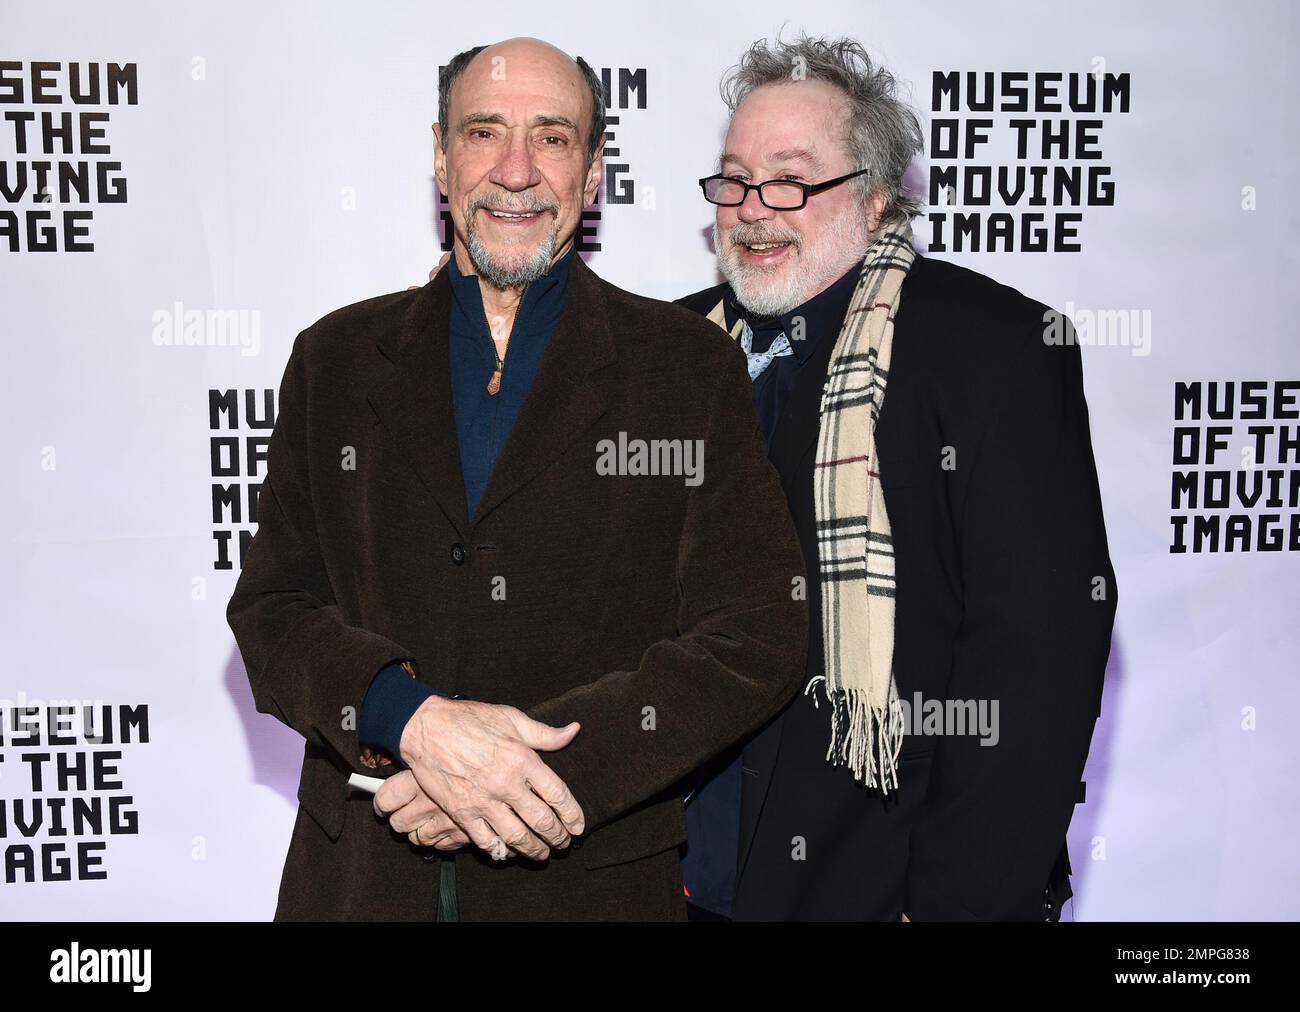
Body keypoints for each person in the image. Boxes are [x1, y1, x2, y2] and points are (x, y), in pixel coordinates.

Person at [226, 36, 807, 921]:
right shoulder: (334, 361)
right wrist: (410, 722)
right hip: (360, 888)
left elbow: (756, 632)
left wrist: (525, 775)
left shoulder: (686, 370)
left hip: (594, 884)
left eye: (553, 137)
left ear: (595, 171)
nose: (517, 170)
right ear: (440, 157)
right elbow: (272, 611)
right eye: (485, 132)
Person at [675, 34, 1117, 921]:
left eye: (792, 181)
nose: (755, 210)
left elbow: (1035, 665)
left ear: (877, 201)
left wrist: (952, 906)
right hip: (682, 888)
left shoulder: (993, 350)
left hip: (884, 890)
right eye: (734, 180)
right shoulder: (674, 353)